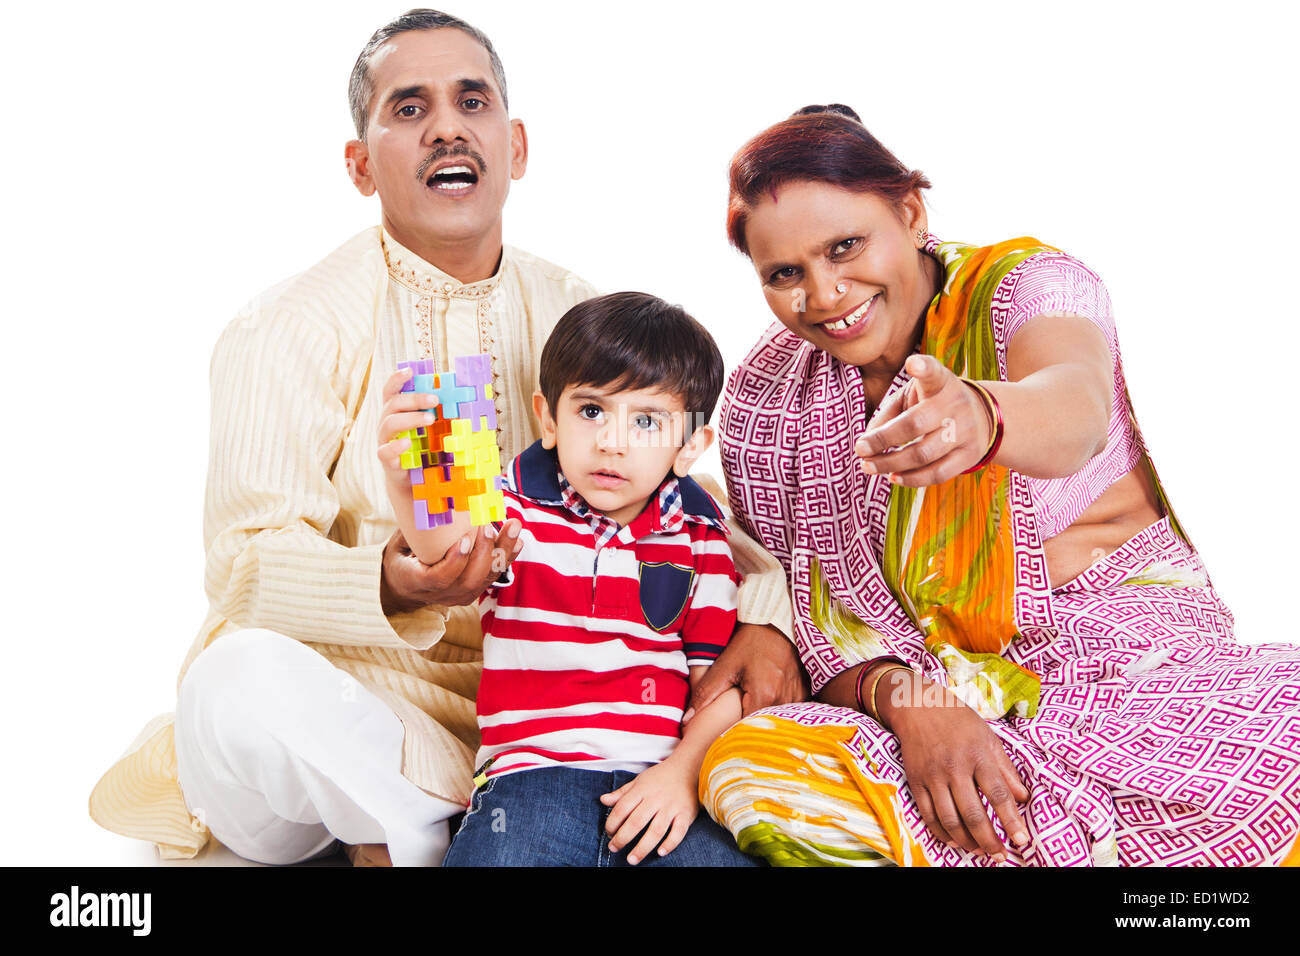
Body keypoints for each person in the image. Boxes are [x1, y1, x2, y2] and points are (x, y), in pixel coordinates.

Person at [87, 9, 799, 867]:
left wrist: (766, 623)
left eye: (472, 101)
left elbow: (681, 504)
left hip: (563, 712)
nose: (448, 127)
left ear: (517, 146)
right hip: (356, 716)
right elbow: (243, 565)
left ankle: (444, 833)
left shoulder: (579, 311)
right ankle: (420, 831)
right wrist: (396, 579)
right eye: (409, 108)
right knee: (233, 688)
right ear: (359, 165)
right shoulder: (289, 325)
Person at [698, 104, 1300, 867]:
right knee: (753, 770)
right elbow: (826, 628)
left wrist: (982, 416)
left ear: (911, 214)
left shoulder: (1027, 286)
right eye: (785, 274)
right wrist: (914, 707)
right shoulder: (769, 392)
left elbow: (1076, 402)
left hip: (1132, 680)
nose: (823, 295)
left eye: (845, 246)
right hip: (923, 710)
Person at [379, 293, 760, 866]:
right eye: (590, 411)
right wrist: (410, 481)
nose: (612, 440)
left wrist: (683, 776)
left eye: (647, 421)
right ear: (548, 419)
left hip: (661, 782)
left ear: (690, 446)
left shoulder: (702, 535)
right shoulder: (516, 508)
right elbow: (447, 553)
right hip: (530, 779)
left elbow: (717, 684)